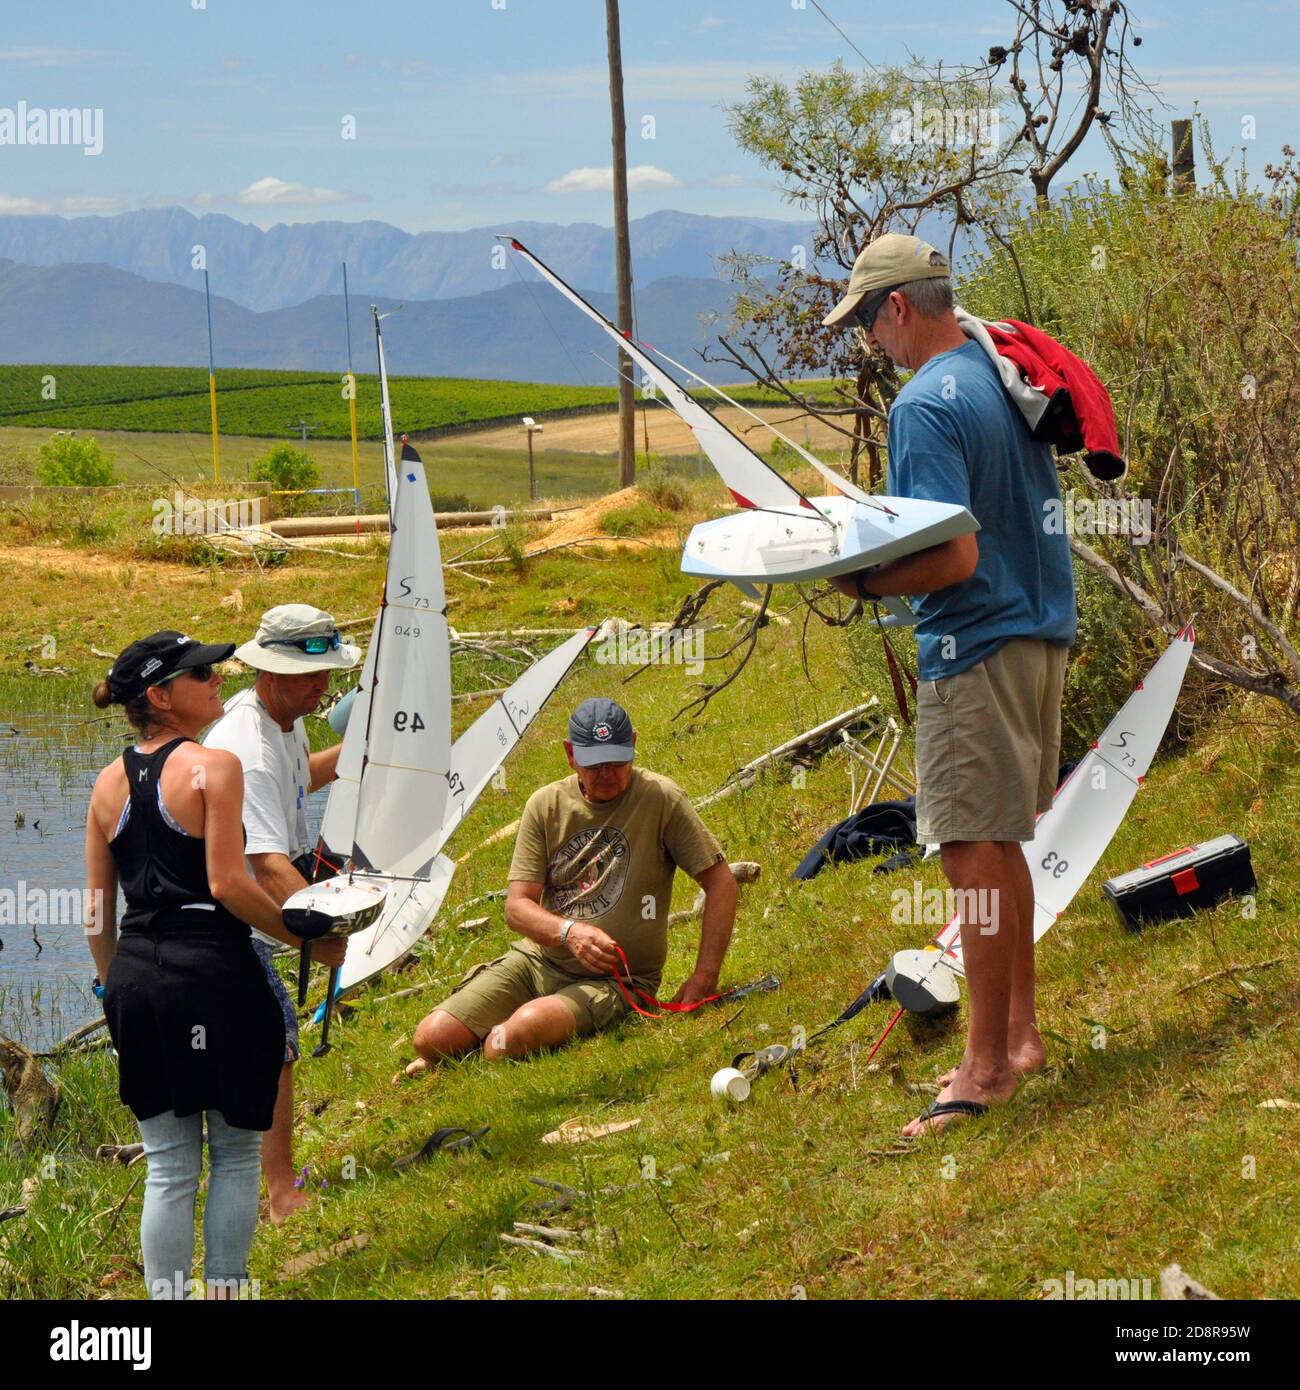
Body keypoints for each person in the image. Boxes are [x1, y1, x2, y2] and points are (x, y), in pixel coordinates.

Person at [821, 233, 1077, 1135]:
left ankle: (982, 1068)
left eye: (866, 324)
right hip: (1043, 630)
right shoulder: (993, 368)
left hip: (976, 643)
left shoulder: (925, 404)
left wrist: (859, 580)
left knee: (971, 849)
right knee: (1001, 841)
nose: (868, 345)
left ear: (898, 307)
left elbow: (953, 554)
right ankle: (1019, 1038)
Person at [85, 630, 346, 1299]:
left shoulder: (105, 785)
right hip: (215, 974)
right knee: (232, 1155)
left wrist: (114, 989)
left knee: (169, 1167)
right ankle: (226, 1293)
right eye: (200, 674)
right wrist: (306, 941)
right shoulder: (214, 767)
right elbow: (230, 885)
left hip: (137, 978)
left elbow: (96, 917)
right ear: (160, 696)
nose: (217, 680)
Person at [408, 698, 738, 1069]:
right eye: (595, 764)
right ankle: (472, 1038)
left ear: (633, 743)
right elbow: (517, 907)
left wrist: (704, 977)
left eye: (617, 760)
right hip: (538, 960)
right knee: (429, 1038)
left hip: (617, 981)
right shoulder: (545, 805)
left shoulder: (661, 798)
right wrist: (570, 933)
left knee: (504, 1045)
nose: (607, 773)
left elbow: (721, 883)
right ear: (570, 755)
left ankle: (499, 1034)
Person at [203, 604, 359, 1223]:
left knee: (270, 1044)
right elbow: (266, 866)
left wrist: (359, 751)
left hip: (241, 899)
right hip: (225, 912)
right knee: (276, 1043)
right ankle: (280, 1195)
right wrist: (321, 930)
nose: (325, 688)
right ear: (269, 674)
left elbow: (300, 782)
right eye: (311, 677)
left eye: (327, 676)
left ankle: (263, 1181)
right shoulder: (250, 746)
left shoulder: (282, 721)